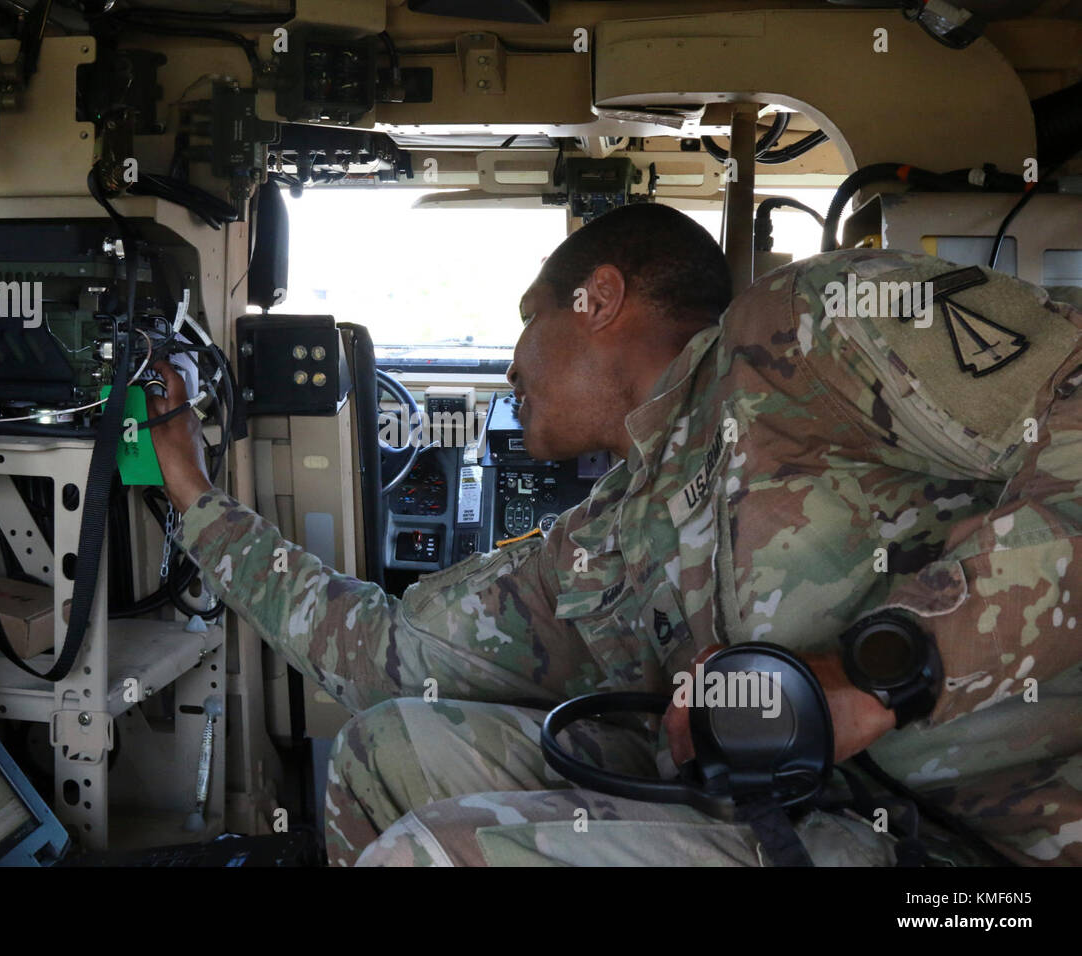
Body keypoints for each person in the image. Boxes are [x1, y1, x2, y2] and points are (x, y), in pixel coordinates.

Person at [147, 202, 1082, 866]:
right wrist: (192, 487)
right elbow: (385, 655)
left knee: (431, 857)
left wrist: (879, 671)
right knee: (384, 748)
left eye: (527, 323)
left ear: (599, 297)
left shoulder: (803, 331)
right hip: (825, 818)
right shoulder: (613, 531)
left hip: (1003, 850)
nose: (513, 362)